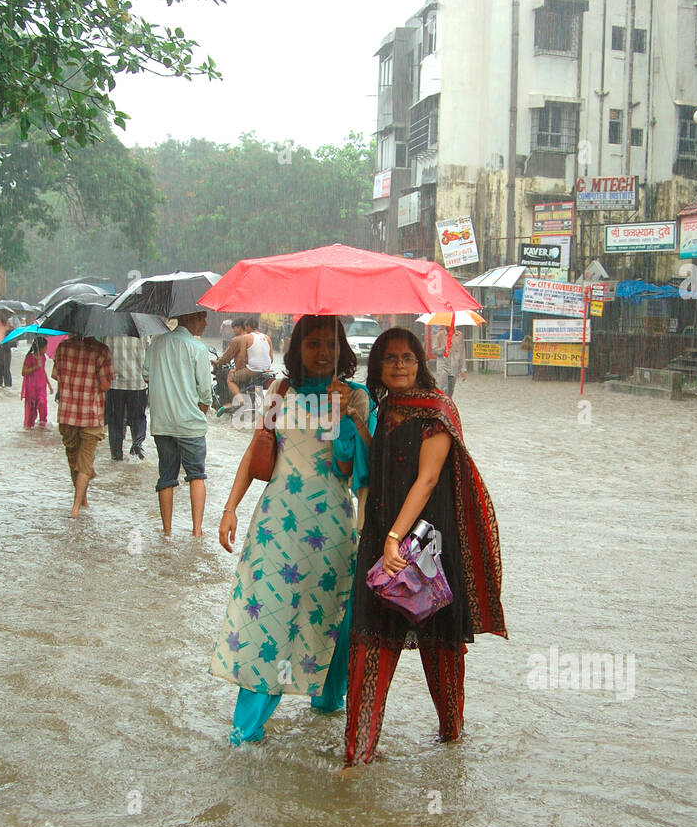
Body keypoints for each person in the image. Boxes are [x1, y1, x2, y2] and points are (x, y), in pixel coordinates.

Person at [344, 328, 506, 767]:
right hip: (381, 542)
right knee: (369, 646)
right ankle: (356, 756)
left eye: (408, 358)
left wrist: (395, 538)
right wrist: (359, 422)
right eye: (390, 358)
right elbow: (384, 462)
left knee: (441, 649)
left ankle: (452, 744)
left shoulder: (437, 411)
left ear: (420, 364)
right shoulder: (386, 407)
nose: (399, 365)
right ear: (377, 365)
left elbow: (427, 478)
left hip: (428, 547)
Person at [211, 315, 376, 745]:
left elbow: (360, 468)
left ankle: (326, 706)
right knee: (266, 619)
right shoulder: (278, 391)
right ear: (297, 348)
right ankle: (245, 731)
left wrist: (345, 416)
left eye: (331, 345)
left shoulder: (357, 398)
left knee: (332, 618)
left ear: (342, 351)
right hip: (275, 530)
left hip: (333, 531)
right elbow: (256, 451)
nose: (323, 353)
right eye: (313, 343)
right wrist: (230, 507)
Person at [144, 310, 213, 536]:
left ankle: (167, 531)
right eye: (202, 318)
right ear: (190, 319)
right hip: (190, 424)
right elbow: (205, 391)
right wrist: (201, 408)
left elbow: (146, 375)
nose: (205, 323)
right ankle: (197, 531)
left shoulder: (156, 343)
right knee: (197, 475)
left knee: (166, 476)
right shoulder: (198, 348)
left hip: (162, 422)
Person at [52, 333, 113, 517]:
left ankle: (81, 499)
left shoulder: (62, 348)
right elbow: (104, 386)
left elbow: (57, 376)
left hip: (67, 413)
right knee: (85, 461)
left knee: (73, 458)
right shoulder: (101, 350)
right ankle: (76, 507)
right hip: (91, 415)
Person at [105, 335, 150, 461]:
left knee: (115, 422)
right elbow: (148, 353)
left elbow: (105, 353)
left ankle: (116, 455)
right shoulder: (142, 332)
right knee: (138, 418)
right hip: (137, 383)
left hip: (115, 384)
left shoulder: (110, 332)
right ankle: (137, 444)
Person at [20, 336, 49, 429]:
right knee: (31, 408)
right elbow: (23, 372)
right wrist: (36, 366)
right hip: (31, 387)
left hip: (41, 386)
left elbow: (43, 371)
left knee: (42, 404)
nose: (46, 349)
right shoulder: (29, 358)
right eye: (45, 347)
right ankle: (29, 427)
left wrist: (49, 384)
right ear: (40, 348)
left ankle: (42, 425)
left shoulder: (43, 357)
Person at [435, 326, 467, 397]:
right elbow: (434, 351)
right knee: (443, 390)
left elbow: (462, 352)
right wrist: (444, 348)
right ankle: (442, 406)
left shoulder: (459, 335)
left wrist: (463, 370)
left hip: (454, 367)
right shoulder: (439, 335)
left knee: (450, 391)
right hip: (443, 367)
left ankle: (448, 406)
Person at [0, 316, 13, 387]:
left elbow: (13, 339)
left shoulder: (9, 325)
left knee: (6, 370)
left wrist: (9, 328)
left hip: (6, 348)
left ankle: (8, 387)